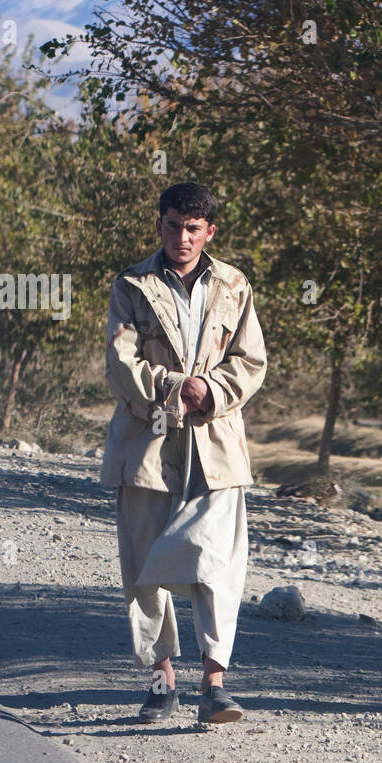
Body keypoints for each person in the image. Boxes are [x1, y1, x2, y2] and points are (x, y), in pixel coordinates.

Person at [100, 182, 267, 725]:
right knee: (144, 562)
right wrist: (178, 387)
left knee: (218, 560)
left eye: (194, 228)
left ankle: (215, 683)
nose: (183, 237)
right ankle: (161, 680)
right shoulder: (132, 284)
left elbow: (251, 360)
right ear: (160, 226)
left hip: (216, 442)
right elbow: (120, 364)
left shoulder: (235, 285)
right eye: (174, 225)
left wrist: (211, 392)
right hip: (146, 441)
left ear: (210, 232)